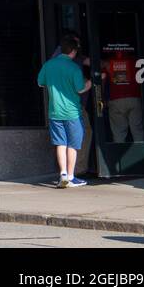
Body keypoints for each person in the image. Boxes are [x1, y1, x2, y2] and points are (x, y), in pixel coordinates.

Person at [37, 33, 93, 188]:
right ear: (73, 52)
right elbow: (80, 89)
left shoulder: (49, 64)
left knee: (60, 143)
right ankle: (71, 176)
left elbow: (40, 83)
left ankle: (62, 174)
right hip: (72, 112)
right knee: (73, 144)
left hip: (54, 112)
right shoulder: (74, 67)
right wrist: (90, 83)